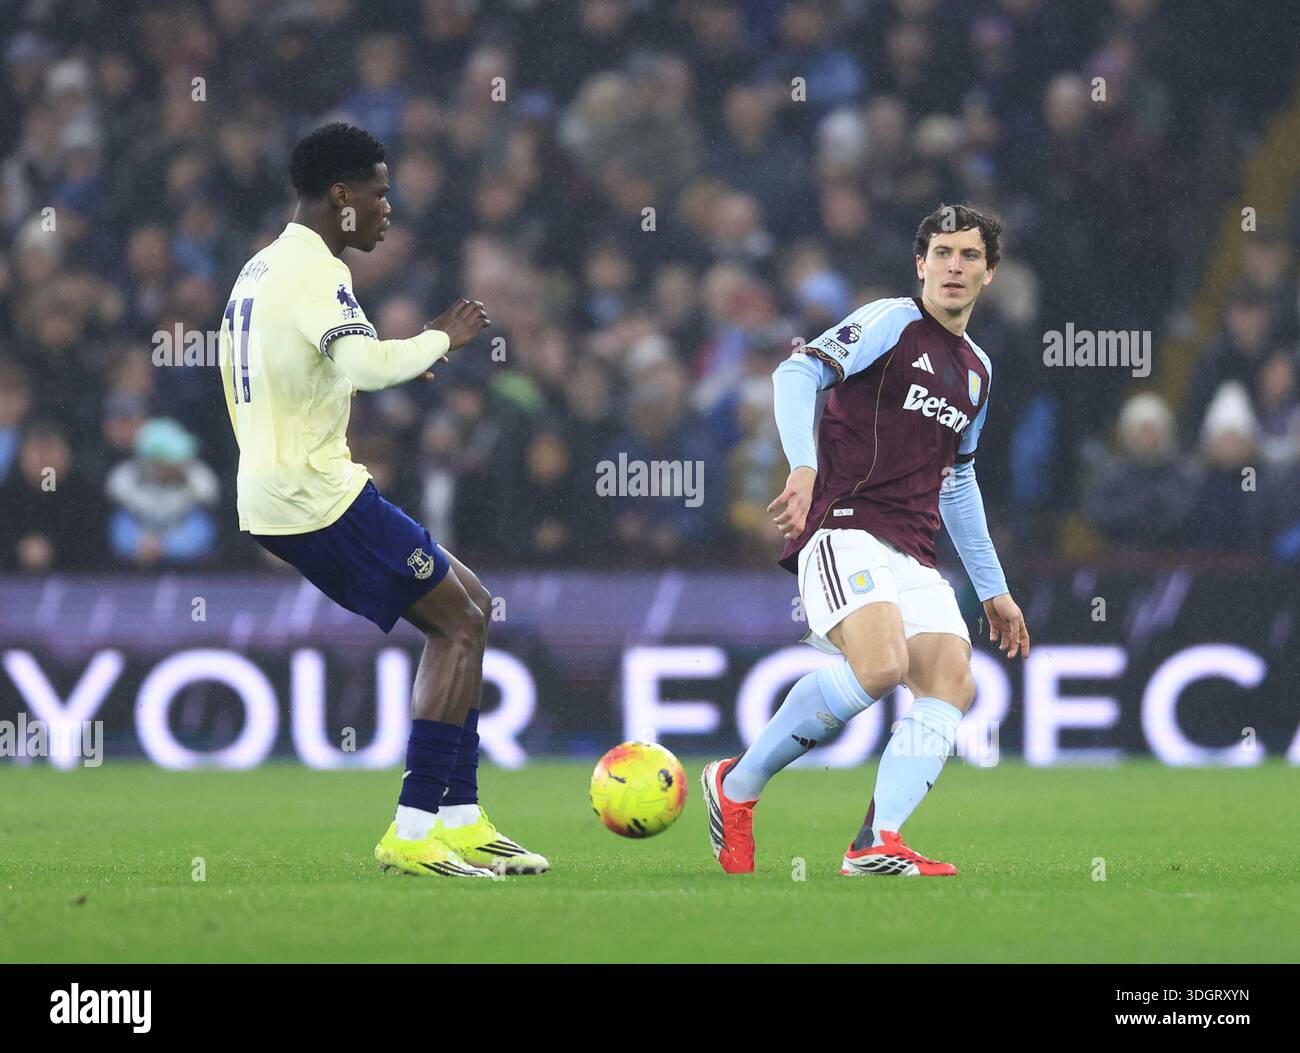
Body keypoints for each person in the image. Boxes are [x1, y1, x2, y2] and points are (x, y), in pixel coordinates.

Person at [218, 122, 547, 879]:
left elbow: (302, 368)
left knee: (473, 604)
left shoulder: (262, 267)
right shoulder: (314, 271)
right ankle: (413, 828)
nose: (387, 208)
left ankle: (462, 819)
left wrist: (375, 364)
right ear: (341, 194)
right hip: (313, 494)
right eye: (379, 192)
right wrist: (441, 338)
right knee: (456, 623)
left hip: (281, 487)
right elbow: (367, 366)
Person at [702, 204, 1031, 877]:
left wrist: (993, 588)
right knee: (880, 665)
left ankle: (876, 840)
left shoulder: (978, 370)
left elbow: (959, 480)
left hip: (914, 550)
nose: (955, 267)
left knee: (952, 680)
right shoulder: (890, 321)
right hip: (845, 525)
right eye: (942, 254)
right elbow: (796, 373)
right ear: (921, 264)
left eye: (970, 256)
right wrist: (803, 465)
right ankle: (737, 784)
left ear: (990, 273)